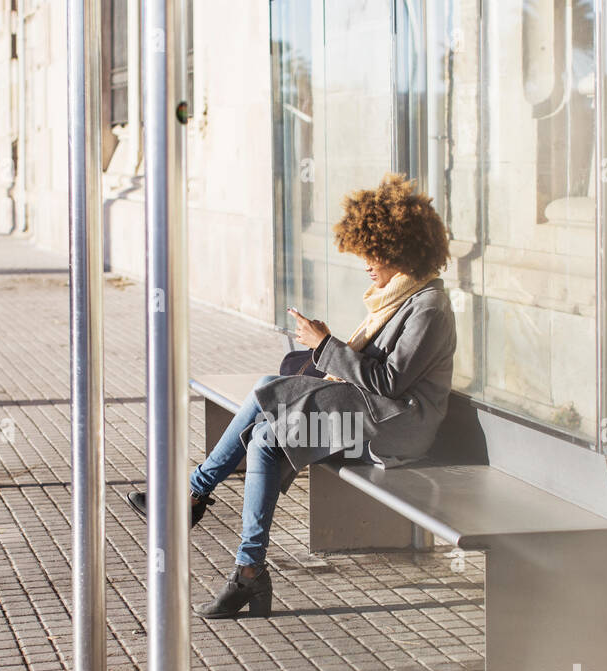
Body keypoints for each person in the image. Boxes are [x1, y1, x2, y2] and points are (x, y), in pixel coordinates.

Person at [127, 172, 456, 618]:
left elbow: (390, 383)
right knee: (265, 435)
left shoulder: (429, 305)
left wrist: (325, 346)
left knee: (266, 396)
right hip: (368, 413)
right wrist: (328, 348)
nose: (366, 262)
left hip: (396, 427)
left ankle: (193, 499)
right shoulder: (397, 298)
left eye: (373, 252)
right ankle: (247, 571)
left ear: (401, 248)